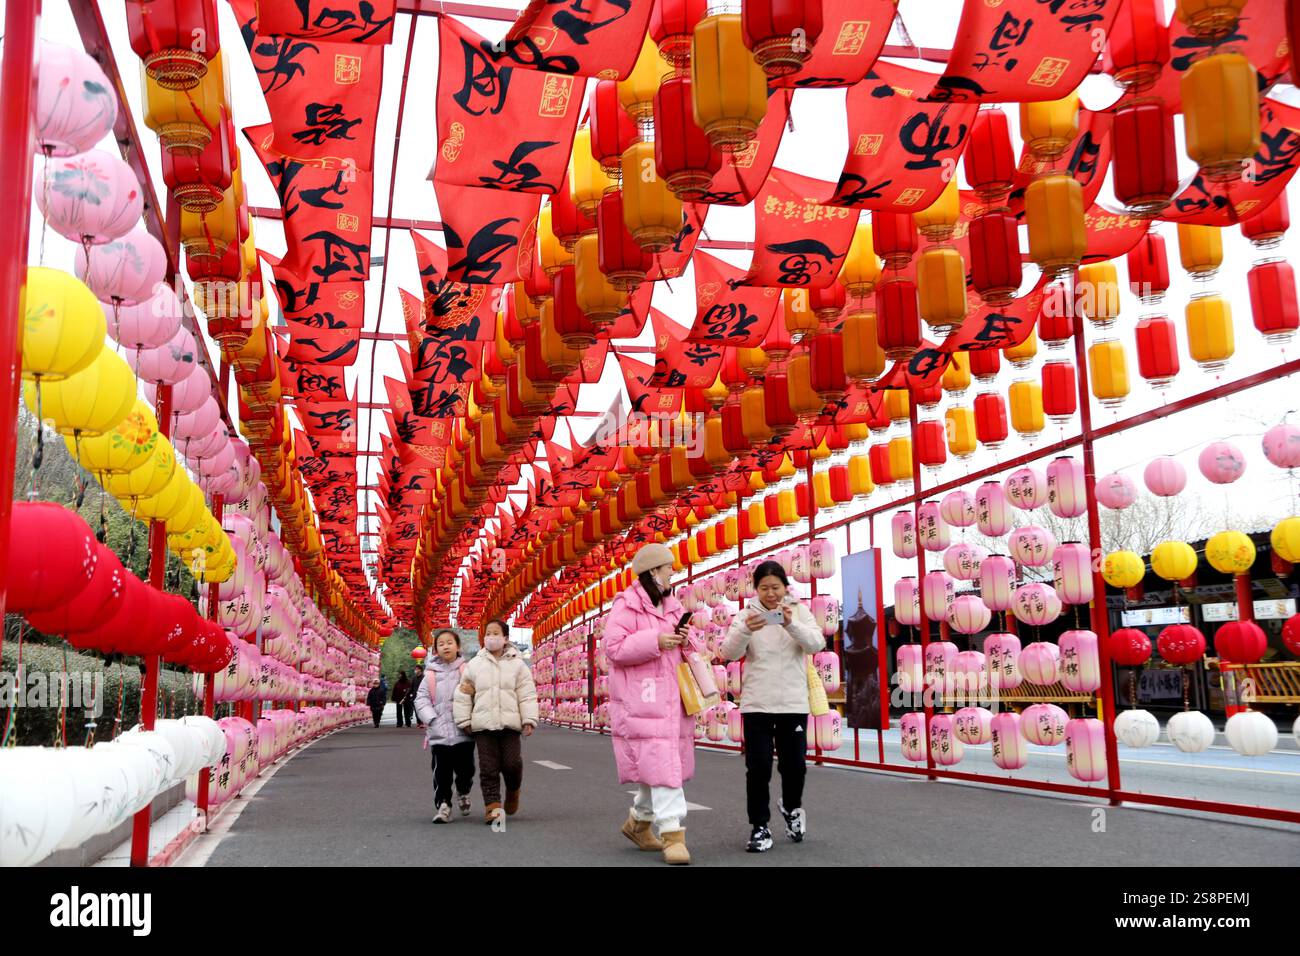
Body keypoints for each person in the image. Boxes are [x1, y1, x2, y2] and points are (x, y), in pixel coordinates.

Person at [603, 542, 700, 865]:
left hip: (672, 698)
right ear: (653, 572)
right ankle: (673, 834)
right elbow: (614, 648)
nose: (673, 572)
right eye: (668, 567)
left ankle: (639, 824)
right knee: (663, 765)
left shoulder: (672, 605)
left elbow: (690, 644)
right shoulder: (626, 606)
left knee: (657, 764)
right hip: (643, 698)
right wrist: (655, 641)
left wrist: (684, 639)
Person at [721, 559, 825, 853]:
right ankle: (759, 827)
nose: (770, 594)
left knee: (794, 767)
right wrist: (745, 631)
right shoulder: (746, 615)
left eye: (775, 587)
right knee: (758, 768)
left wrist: (791, 623)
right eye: (764, 588)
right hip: (757, 704)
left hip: (792, 703)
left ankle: (792, 808)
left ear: (785, 587)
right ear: (755, 590)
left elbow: (816, 644)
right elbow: (728, 652)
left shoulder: (799, 611)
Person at [454, 619, 538, 824]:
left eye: (495, 633)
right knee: (488, 768)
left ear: (505, 638)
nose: (491, 637)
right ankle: (492, 807)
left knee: (512, 764)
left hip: (510, 725)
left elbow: (527, 694)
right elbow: (463, 693)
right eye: (488, 633)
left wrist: (529, 720)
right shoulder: (474, 665)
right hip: (483, 726)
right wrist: (464, 719)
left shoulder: (518, 665)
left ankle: (513, 790)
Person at [415, 631, 476, 823]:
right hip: (439, 733)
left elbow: (479, 694)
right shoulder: (430, 675)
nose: (446, 646)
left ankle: (463, 791)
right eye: (441, 644)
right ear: (435, 649)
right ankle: (443, 804)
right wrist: (430, 718)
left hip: (463, 731)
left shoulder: (467, 670)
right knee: (441, 772)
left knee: (466, 769)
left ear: (458, 647)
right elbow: (421, 699)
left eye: (450, 642)